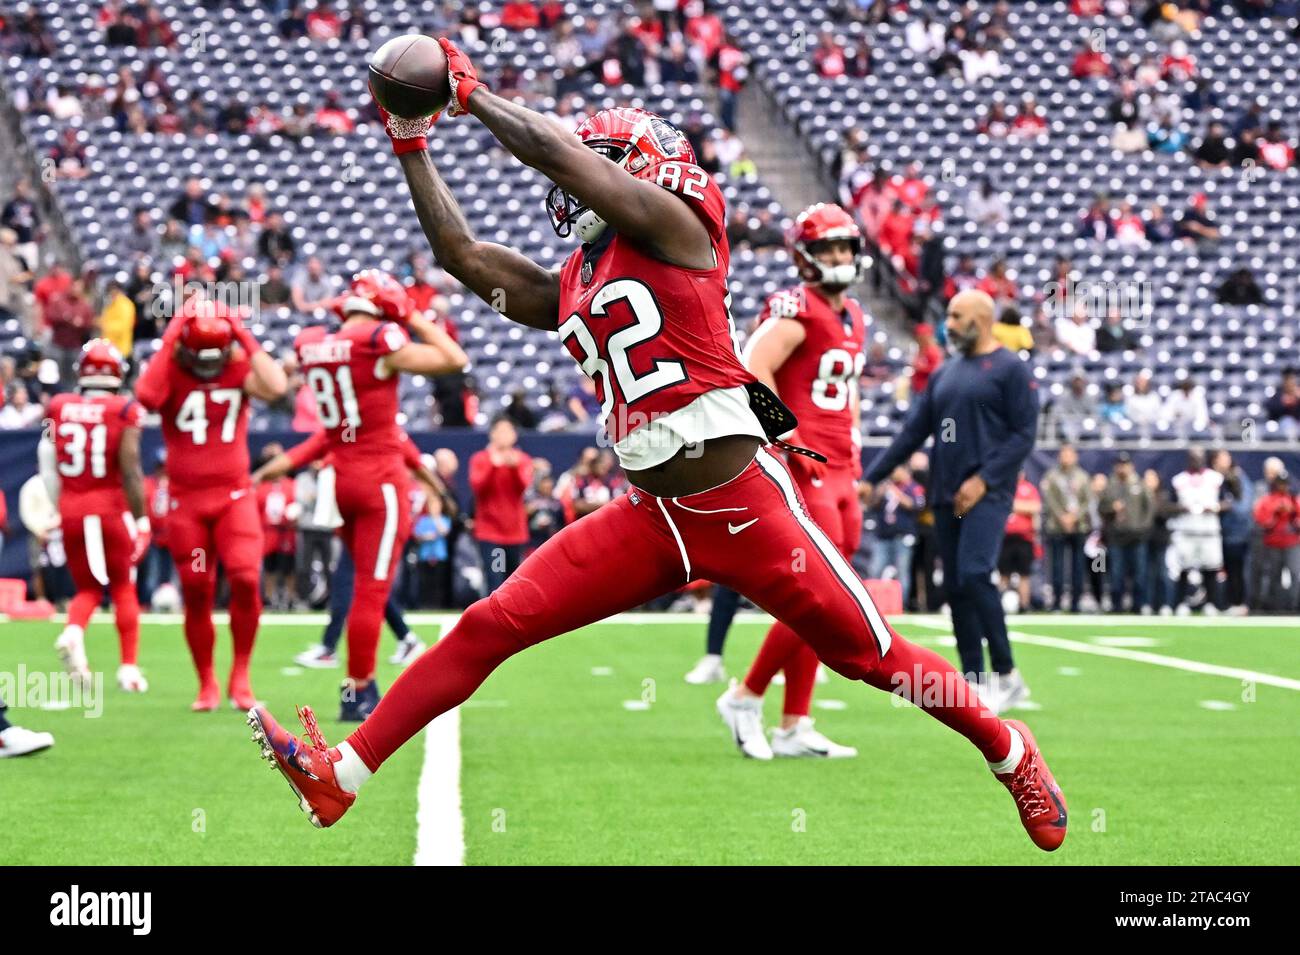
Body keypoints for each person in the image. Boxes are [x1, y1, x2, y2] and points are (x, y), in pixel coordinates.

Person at [250, 44, 1066, 852]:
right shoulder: (575, 277)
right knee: (491, 622)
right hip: (650, 515)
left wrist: (472, 94)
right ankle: (341, 776)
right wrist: (411, 144)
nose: (570, 181)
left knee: (871, 655)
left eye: (601, 161)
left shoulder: (681, 225)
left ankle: (1009, 750)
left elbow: (559, 155)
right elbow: (461, 258)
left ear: (637, 168)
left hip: (743, 503)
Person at [711, 202, 869, 759]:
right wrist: (785, 436)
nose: (839, 257)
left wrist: (854, 454)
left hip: (843, 466)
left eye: (845, 247)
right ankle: (746, 694)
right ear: (803, 256)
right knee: (821, 599)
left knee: (829, 595)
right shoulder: (796, 307)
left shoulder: (852, 314)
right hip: (810, 467)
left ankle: (795, 722)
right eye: (827, 248)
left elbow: (845, 396)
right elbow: (751, 365)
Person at [291, 270, 467, 718]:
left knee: (362, 585)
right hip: (378, 480)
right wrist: (410, 314)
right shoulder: (378, 338)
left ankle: (359, 681)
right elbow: (452, 358)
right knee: (372, 589)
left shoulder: (314, 342)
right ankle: (357, 689)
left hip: (340, 479)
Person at [863, 289, 1039, 711]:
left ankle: (1006, 673)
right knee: (957, 584)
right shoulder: (945, 371)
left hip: (987, 493)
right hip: (944, 494)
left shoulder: (1011, 369)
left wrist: (984, 479)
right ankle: (974, 677)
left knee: (977, 573)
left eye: (958, 316)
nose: (950, 324)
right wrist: (872, 478)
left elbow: (1024, 435)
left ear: (981, 318)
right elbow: (912, 433)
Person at [134, 297, 288, 710]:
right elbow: (146, 397)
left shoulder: (237, 366)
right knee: (197, 588)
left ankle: (240, 674)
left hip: (233, 496)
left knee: (244, 578)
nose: (207, 366)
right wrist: (171, 333)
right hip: (188, 502)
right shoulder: (169, 369)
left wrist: (240, 331)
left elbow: (277, 387)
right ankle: (206, 682)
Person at [41, 340, 151, 691]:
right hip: (110, 507)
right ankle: (129, 669)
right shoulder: (125, 408)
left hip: (72, 507)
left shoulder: (59, 406)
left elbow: (48, 462)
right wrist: (141, 517)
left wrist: (59, 504)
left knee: (86, 587)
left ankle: (73, 632)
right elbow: (131, 469)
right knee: (122, 585)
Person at [469, 416, 534, 594]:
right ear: (492, 435)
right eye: (500, 431)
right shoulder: (480, 459)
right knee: (495, 583)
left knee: (514, 584)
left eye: (508, 431)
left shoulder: (523, 460)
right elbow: (478, 488)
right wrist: (493, 465)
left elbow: (523, 487)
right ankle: (494, 620)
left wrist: (512, 467)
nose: (504, 435)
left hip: (516, 533)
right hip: (491, 533)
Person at [1168, 448, 1225, 615]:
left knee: (1211, 569)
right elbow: (1168, 504)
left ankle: (1212, 604)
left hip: (1209, 531)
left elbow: (1228, 502)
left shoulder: (1216, 479)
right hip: (1187, 530)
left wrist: (1215, 508)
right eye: (1193, 458)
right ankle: (1180, 603)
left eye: (1199, 457)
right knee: (1184, 569)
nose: (1196, 461)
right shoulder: (1179, 480)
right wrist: (1181, 508)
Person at [1099, 452, 1153, 613]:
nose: (1122, 468)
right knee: (1116, 574)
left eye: (1126, 465)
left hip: (1137, 536)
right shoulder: (1110, 486)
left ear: (1131, 466)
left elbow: (1149, 508)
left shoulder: (1140, 484)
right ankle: (1117, 605)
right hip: (1117, 536)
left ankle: (1139, 605)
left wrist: (1143, 528)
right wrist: (1111, 508)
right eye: (1120, 465)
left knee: (1139, 574)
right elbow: (1101, 509)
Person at [1041, 444, 1093, 612]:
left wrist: (1074, 517)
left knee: (1078, 566)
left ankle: (1076, 602)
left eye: (1069, 454)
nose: (1066, 457)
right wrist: (1062, 517)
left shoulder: (1082, 477)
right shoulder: (1052, 476)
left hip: (1079, 526)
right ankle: (1056, 601)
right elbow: (1049, 500)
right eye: (1063, 454)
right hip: (1057, 526)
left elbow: (1087, 501)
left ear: (1075, 456)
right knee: (1056, 565)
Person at [1252, 470, 1300, 612]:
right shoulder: (1268, 500)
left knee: (1295, 574)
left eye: (1285, 484)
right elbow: (1261, 520)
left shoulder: (1294, 500)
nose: (1282, 487)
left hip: (1292, 543)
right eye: (1280, 484)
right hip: (1273, 544)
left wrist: (1293, 516)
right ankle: (1275, 606)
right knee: (1273, 575)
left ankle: (1294, 605)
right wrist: (1275, 512)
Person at [999, 471, 1041, 613]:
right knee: (1003, 574)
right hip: (1005, 537)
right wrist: (1021, 506)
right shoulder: (1002, 487)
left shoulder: (1028, 488)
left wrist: (1013, 504)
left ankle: (1024, 605)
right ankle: (997, 604)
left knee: (1024, 574)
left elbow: (1035, 507)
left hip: (1024, 538)